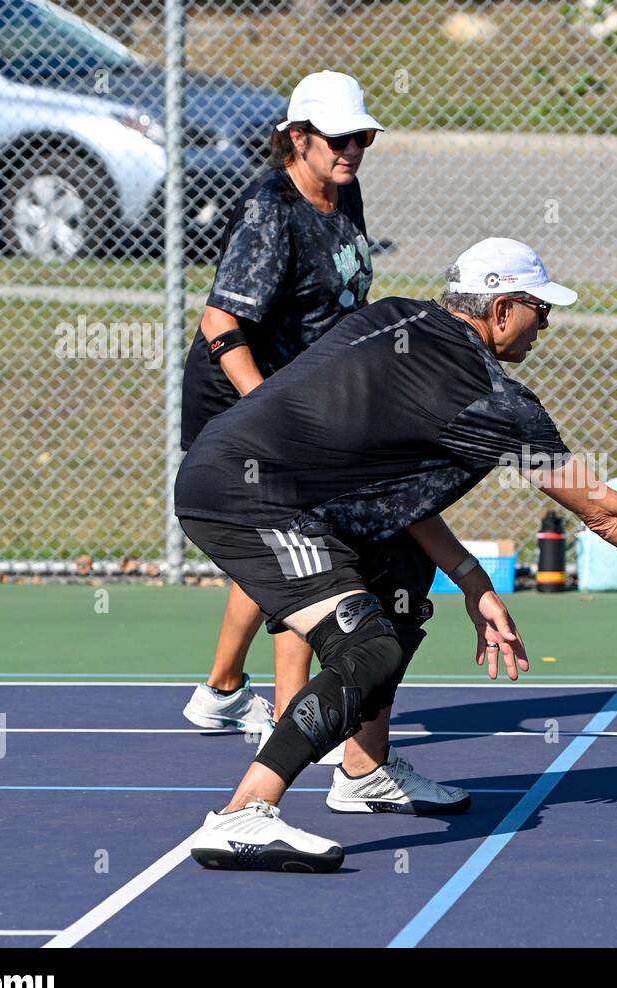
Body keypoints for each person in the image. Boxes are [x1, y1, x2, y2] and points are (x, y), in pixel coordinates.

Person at [175, 238, 617, 871]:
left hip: (261, 479)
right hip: (250, 499)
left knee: (404, 573)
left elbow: (389, 487)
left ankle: (364, 771)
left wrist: (468, 576)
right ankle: (246, 812)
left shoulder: (393, 317)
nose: (545, 322)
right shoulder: (491, 402)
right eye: (537, 308)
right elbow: (606, 513)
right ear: (500, 310)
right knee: (369, 649)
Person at [178, 70, 380, 746]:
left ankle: (223, 691)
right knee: (303, 546)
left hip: (296, 398)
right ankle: (293, 721)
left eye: (363, 137)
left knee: (279, 549)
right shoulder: (272, 208)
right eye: (339, 137)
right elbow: (219, 323)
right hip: (242, 396)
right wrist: (268, 409)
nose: (353, 147)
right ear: (298, 138)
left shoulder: (342, 192)